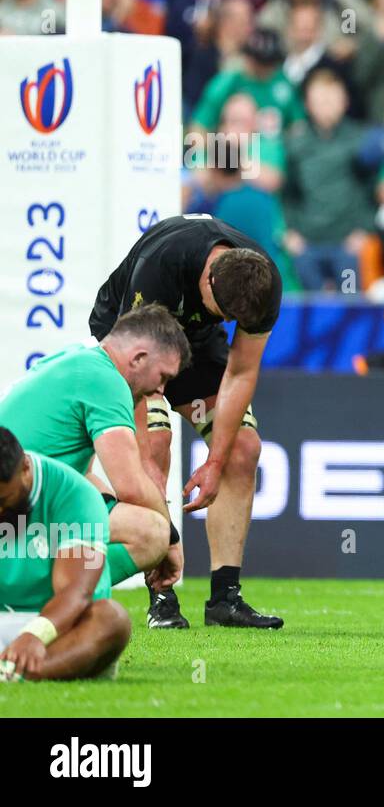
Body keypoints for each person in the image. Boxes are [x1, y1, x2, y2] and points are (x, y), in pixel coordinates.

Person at [89, 215, 283, 630]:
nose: (231, 322)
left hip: (195, 345)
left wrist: (215, 463)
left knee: (243, 449)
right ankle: (161, 592)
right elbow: (131, 366)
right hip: (134, 345)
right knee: (154, 444)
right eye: (223, 313)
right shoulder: (162, 267)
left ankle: (225, 600)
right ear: (207, 280)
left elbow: (241, 372)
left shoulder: (262, 283)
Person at [0, 306, 190, 597]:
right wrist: (172, 540)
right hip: (14, 510)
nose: (161, 391)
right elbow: (131, 486)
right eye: (163, 377)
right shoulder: (107, 381)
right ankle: (40, 598)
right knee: (151, 533)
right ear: (139, 358)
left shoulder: (77, 359)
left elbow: (82, 476)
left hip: (19, 509)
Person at [0, 428, 131, 682]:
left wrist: (36, 634)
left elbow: (75, 591)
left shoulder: (75, 494)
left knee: (112, 618)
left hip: (59, 627)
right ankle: (20, 671)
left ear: (25, 467)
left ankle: (17, 671)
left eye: (4, 499)